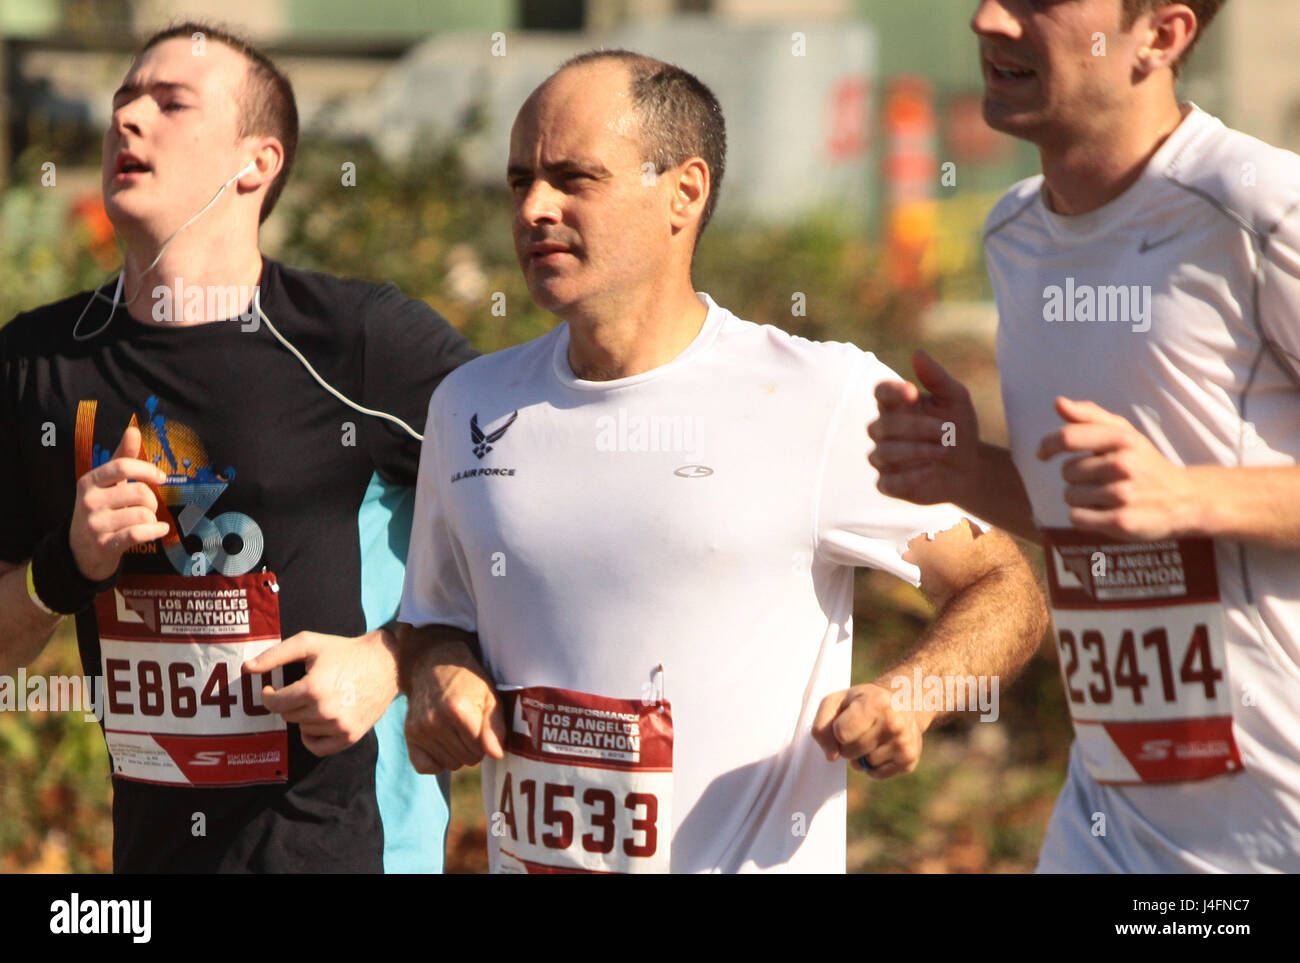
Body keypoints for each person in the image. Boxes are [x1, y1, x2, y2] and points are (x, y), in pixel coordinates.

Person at [395, 49, 1048, 873]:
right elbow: (433, 620)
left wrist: (908, 698)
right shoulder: (472, 405)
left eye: (573, 178)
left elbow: (1004, 585)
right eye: (520, 179)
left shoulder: (820, 395)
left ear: (685, 191)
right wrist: (437, 671)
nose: (533, 207)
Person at [0, 22, 476, 872]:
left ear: (255, 163)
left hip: (356, 853)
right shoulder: (40, 363)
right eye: (121, 102)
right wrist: (65, 565)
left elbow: (540, 515)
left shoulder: (356, 342)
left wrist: (391, 657)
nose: (127, 121)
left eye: (168, 103)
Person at [870, 0, 1300, 871]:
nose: (990, 20)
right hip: (1118, 818)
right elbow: (1095, 515)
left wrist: (1192, 493)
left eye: (1039, 2)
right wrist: (969, 470)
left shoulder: (1257, 208)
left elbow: (1163, 499)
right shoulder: (1014, 233)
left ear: (1162, 35)